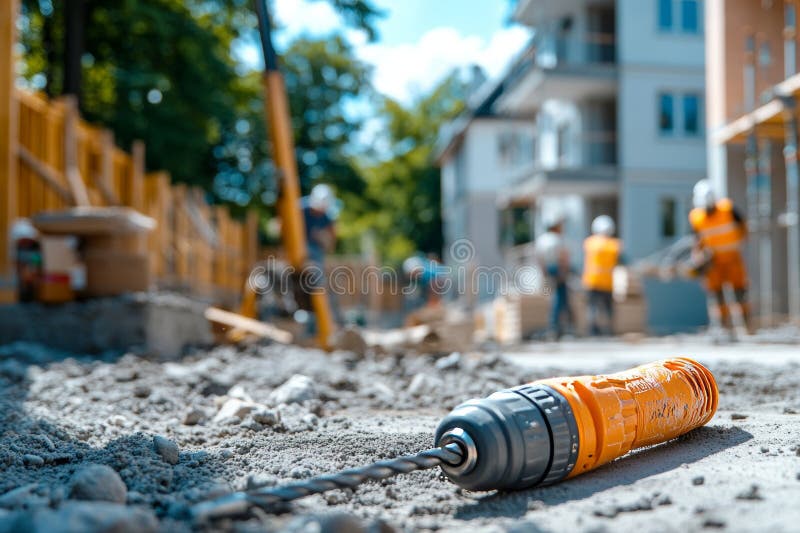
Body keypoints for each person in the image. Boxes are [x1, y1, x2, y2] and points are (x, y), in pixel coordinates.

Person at [688, 179, 751, 336]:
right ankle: (722, 328)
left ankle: (746, 327)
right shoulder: (697, 217)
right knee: (716, 295)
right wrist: (697, 255)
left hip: (732, 258)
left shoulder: (727, 209)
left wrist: (740, 240)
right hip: (713, 260)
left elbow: (743, 226)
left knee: (740, 293)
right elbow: (697, 238)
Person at [534, 216, 574, 340]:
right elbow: (563, 256)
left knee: (559, 296)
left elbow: (539, 257)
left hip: (548, 268)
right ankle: (556, 325)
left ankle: (559, 325)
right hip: (557, 268)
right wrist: (564, 272)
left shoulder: (542, 240)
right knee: (560, 296)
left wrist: (544, 272)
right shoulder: (558, 239)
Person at [582, 215, 621, 336]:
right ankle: (609, 331)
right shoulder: (614, 245)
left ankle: (592, 331)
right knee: (608, 309)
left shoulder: (589, 242)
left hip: (591, 281)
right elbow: (620, 260)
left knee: (592, 308)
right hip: (607, 283)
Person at [302, 183, 337, 266]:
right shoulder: (300, 208)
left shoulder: (327, 216)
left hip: (313, 248)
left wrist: (330, 246)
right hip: (296, 244)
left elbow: (332, 232)